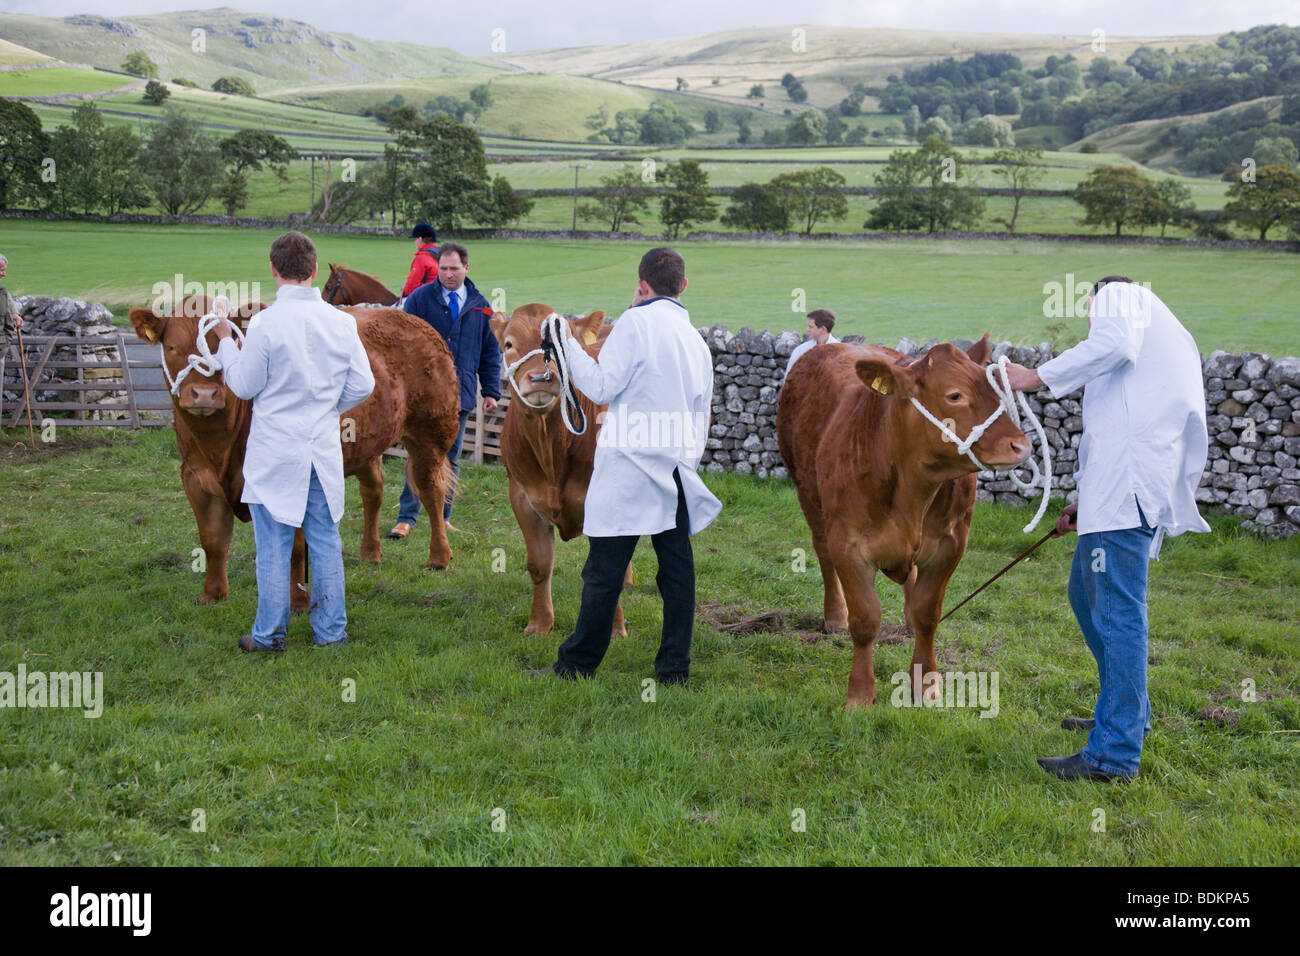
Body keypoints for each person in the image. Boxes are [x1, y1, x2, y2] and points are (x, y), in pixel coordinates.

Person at [1002, 276, 1210, 781]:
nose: (1094, 320)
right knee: (1085, 594)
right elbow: (1122, 419)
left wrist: (1032, 376)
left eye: (1091, 310)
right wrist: (1084, 499)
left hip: (1127, 490)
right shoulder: (1165, 330)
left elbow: (1113, 343)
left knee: (1118, 612)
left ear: (1099, 295)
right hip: (1117, 491)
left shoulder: (1123, 297)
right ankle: (1127, 717)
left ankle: (1113, 754)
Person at [533, 247, 722, 684]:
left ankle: (578, 665)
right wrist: (685, 463)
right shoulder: (696, 340)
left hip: (628, 467)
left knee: (604, 572)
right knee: (676, 572)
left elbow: (600, 386)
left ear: (641, 286)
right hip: (675, 469)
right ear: (683, 286)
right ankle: (674, 669)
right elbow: (701, 413)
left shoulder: (634, 322)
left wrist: (567, 343)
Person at [214, 231, 375, 652]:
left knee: (273, 545)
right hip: (321, 448)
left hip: (275, 451)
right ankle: (330, 633)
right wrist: (326, 407)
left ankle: (268, 637)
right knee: (325, 540)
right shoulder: (342, 322)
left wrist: (227, 348)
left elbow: (245, 386)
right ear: (315, 270)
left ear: (273, 269)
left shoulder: (266, 322)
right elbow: (363, 382)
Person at [389, 241, 500, 537]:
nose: (448, 274)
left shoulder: (480, 305)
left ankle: (443, 516)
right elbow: (401, 342)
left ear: (466, 268)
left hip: (459, 397)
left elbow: (490, 352)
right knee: (419, 454)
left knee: (450, 457)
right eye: (443, 268)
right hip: (421, 395)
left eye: (454, 268)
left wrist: (490, 391)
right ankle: (406, 518)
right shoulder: (419, 299)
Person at [784, 309, 838, 379]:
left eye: (811, 327)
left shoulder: (839, 352)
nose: (807, 329)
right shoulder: (801, 351)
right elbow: (788, 378)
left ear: (823, 329)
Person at [401, 222, 440, 297]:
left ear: (420, 239)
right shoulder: (442, 254)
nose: (414, 242)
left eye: (415, 239)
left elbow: (412, 285)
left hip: (426, 298)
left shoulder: (422, 258)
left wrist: (404, 291)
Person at [0, 253, 23, 351]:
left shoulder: (2, 290)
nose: (4, 274)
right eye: (1, 270)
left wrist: (14, 313)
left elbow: (6, 297)